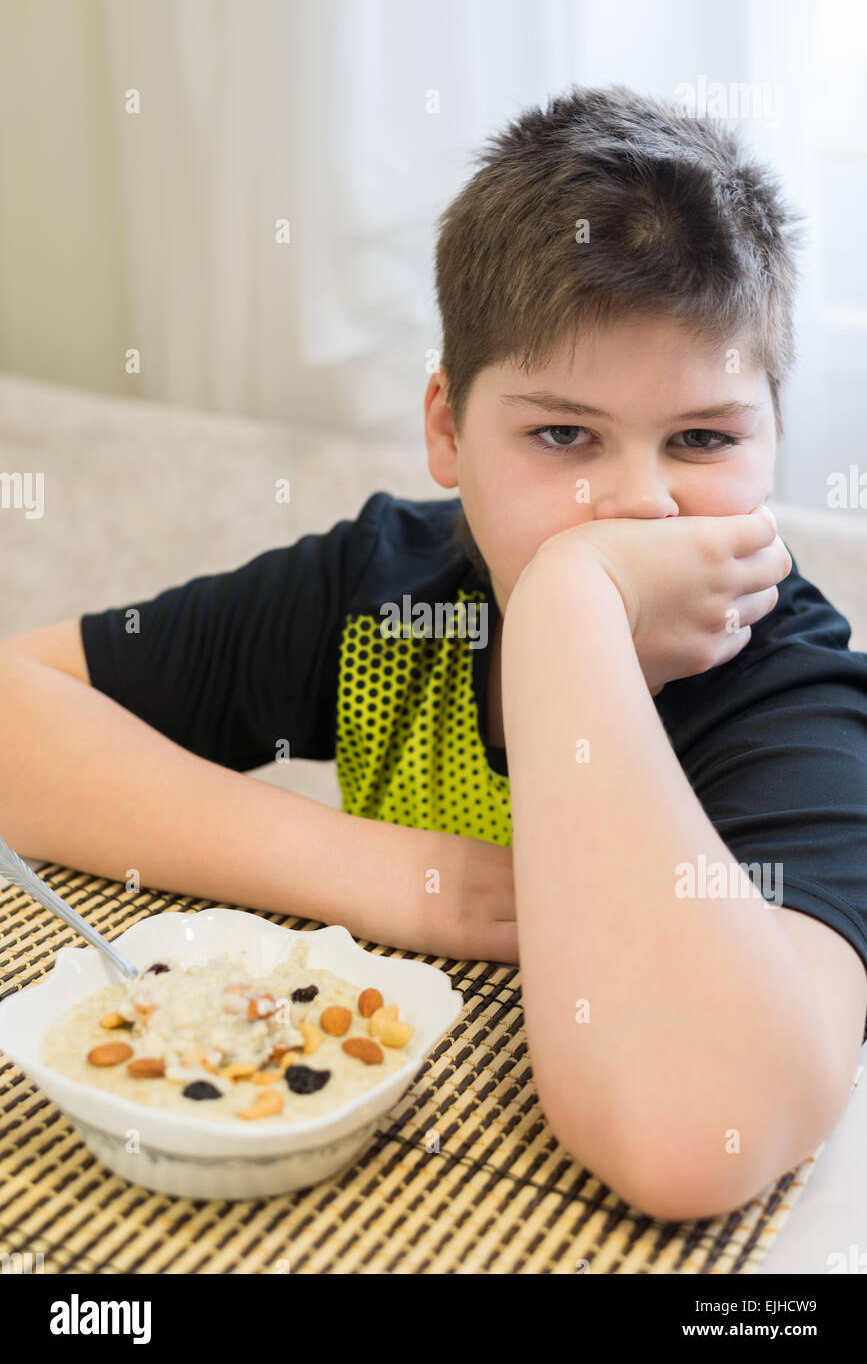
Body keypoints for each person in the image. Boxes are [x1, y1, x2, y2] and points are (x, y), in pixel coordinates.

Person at [3, 85, 866, 1222]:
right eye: (563, 434)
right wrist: (372, 872)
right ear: (448, 429)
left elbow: (694, 1142)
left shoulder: (793, 693)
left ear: (774, 441)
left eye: (703, 438)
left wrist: (570, 605)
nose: (639, 506)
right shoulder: (383, 588)